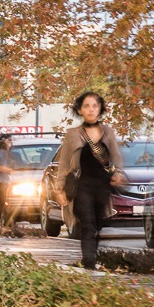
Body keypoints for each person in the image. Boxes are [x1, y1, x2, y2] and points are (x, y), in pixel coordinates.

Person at [50, 90, 125, 271]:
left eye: (95, 106)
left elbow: (116, 156)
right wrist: (59, 189)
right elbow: (64, 163)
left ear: (100, 109)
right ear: (80, 110)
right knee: (88, 224)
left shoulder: (108, 133)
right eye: (87, 106)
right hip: (81, 186)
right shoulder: (73, 134)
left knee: (97, 224)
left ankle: (90, 258)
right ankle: (89, 263)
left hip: (102, 188)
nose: (91, 110)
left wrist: (119, 173)